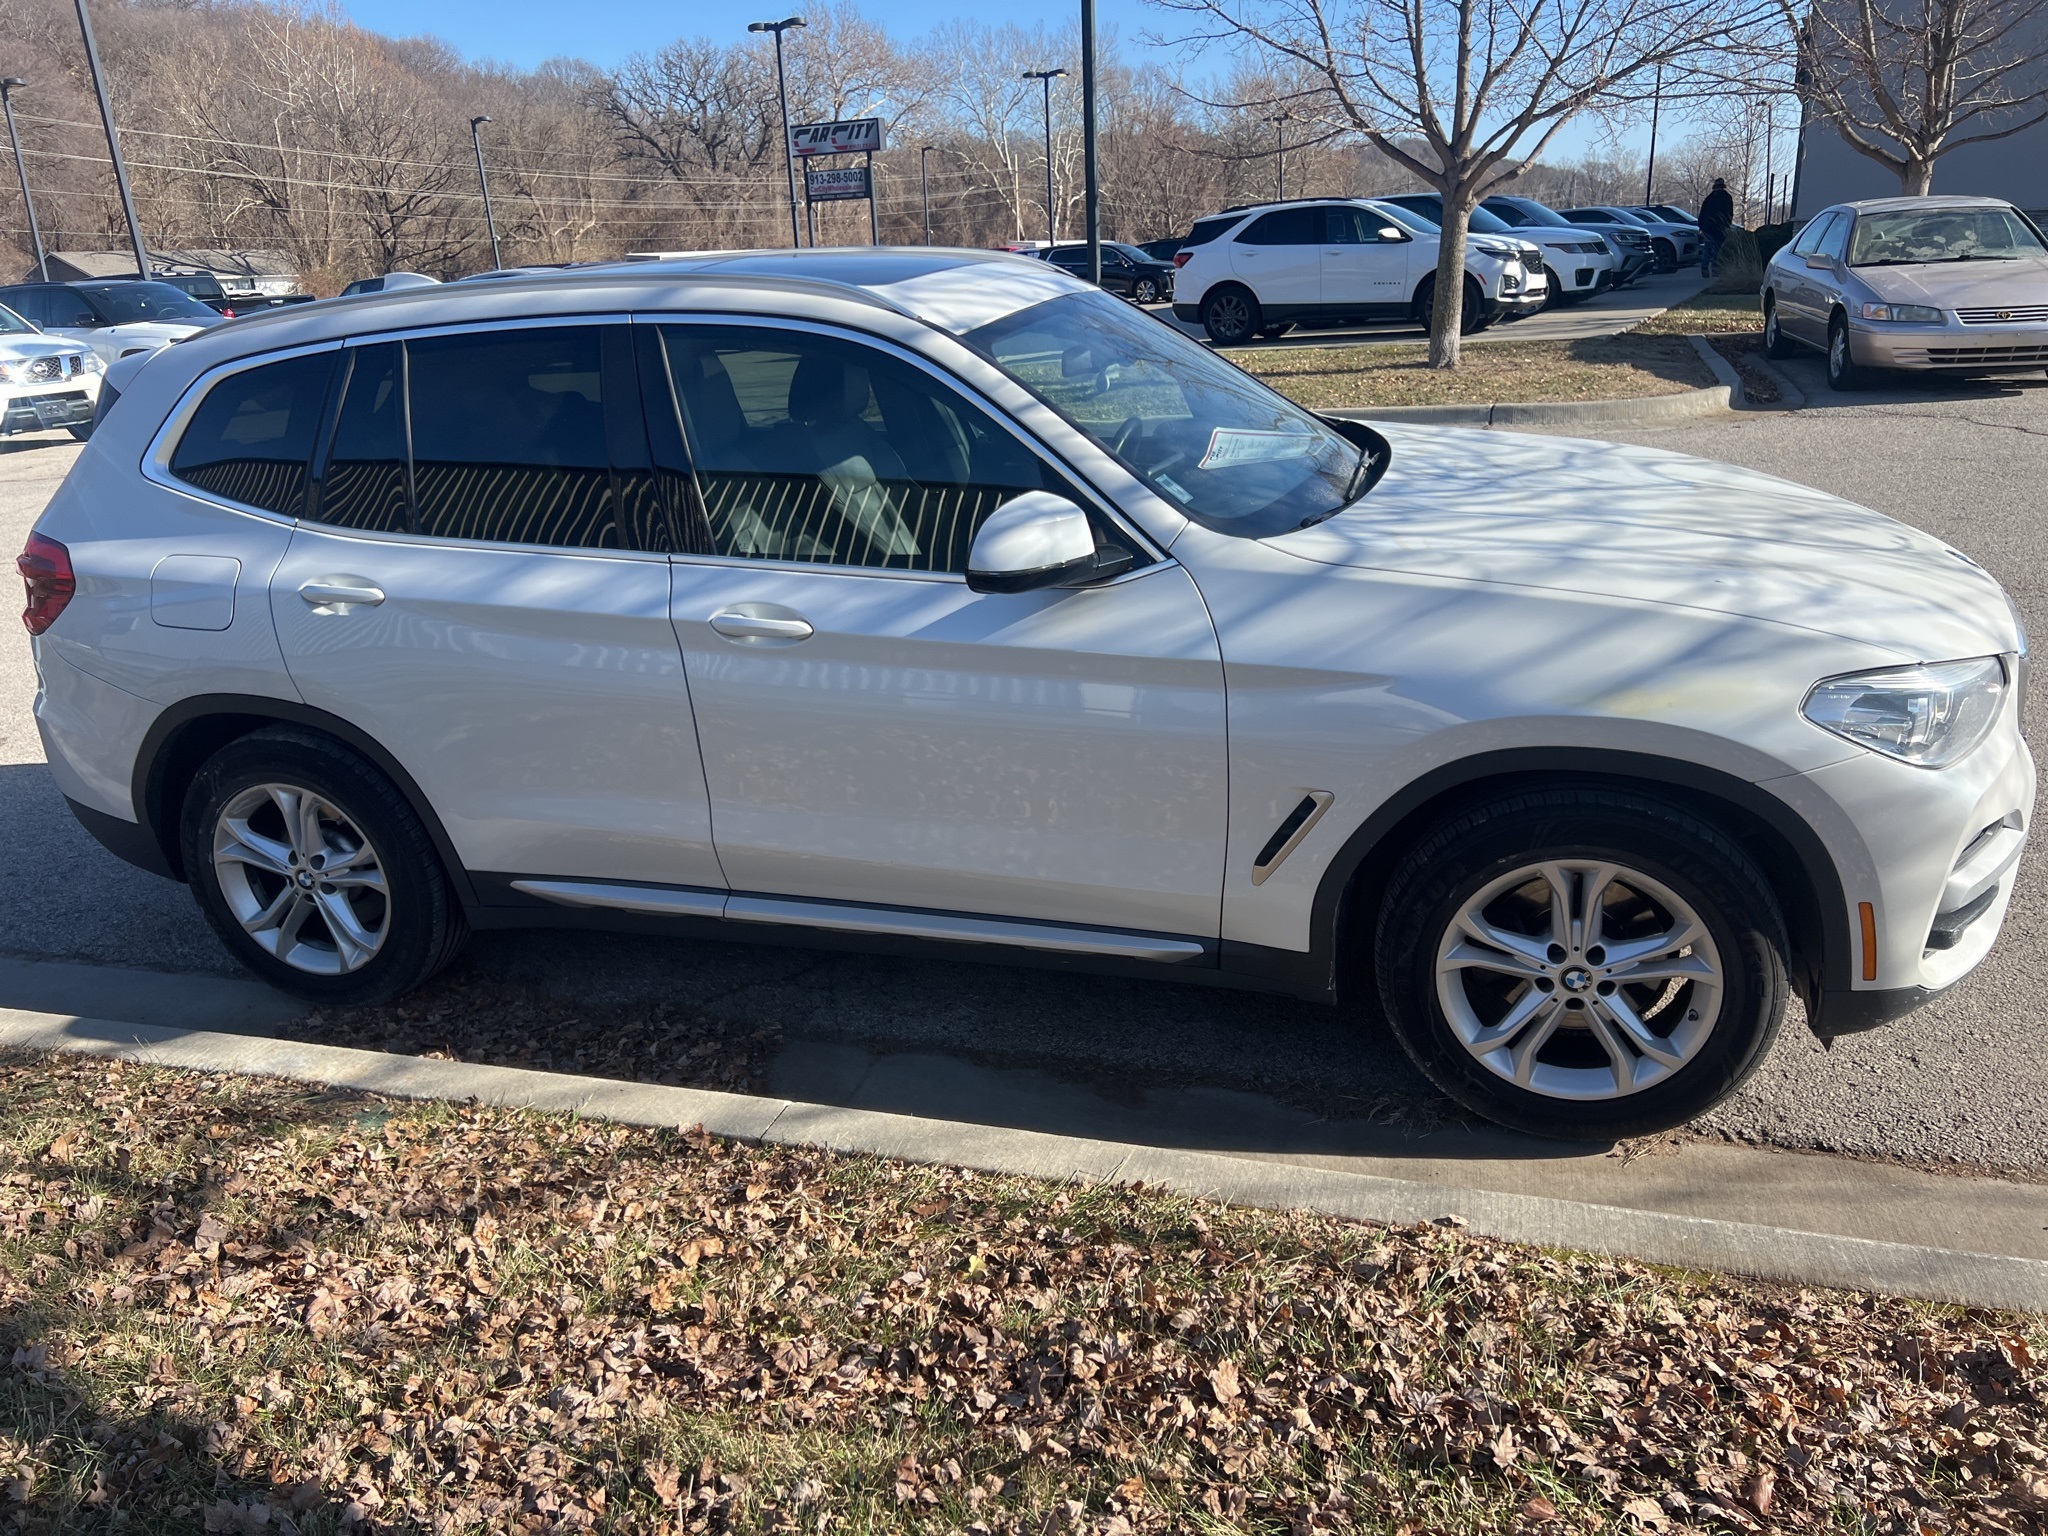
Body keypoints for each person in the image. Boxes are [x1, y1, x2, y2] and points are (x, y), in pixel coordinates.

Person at [1698, 178, 1735, 277]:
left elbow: (1702, 213)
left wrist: (1701, 226)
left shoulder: (1709, 198)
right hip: (1720, 227)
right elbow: (1730, 213)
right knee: (1717, 248)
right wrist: (1727, 225)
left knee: (1708, 246)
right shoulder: (1727, 197)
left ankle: (1704, 267)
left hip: (1707, 227)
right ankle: (1715, 269)